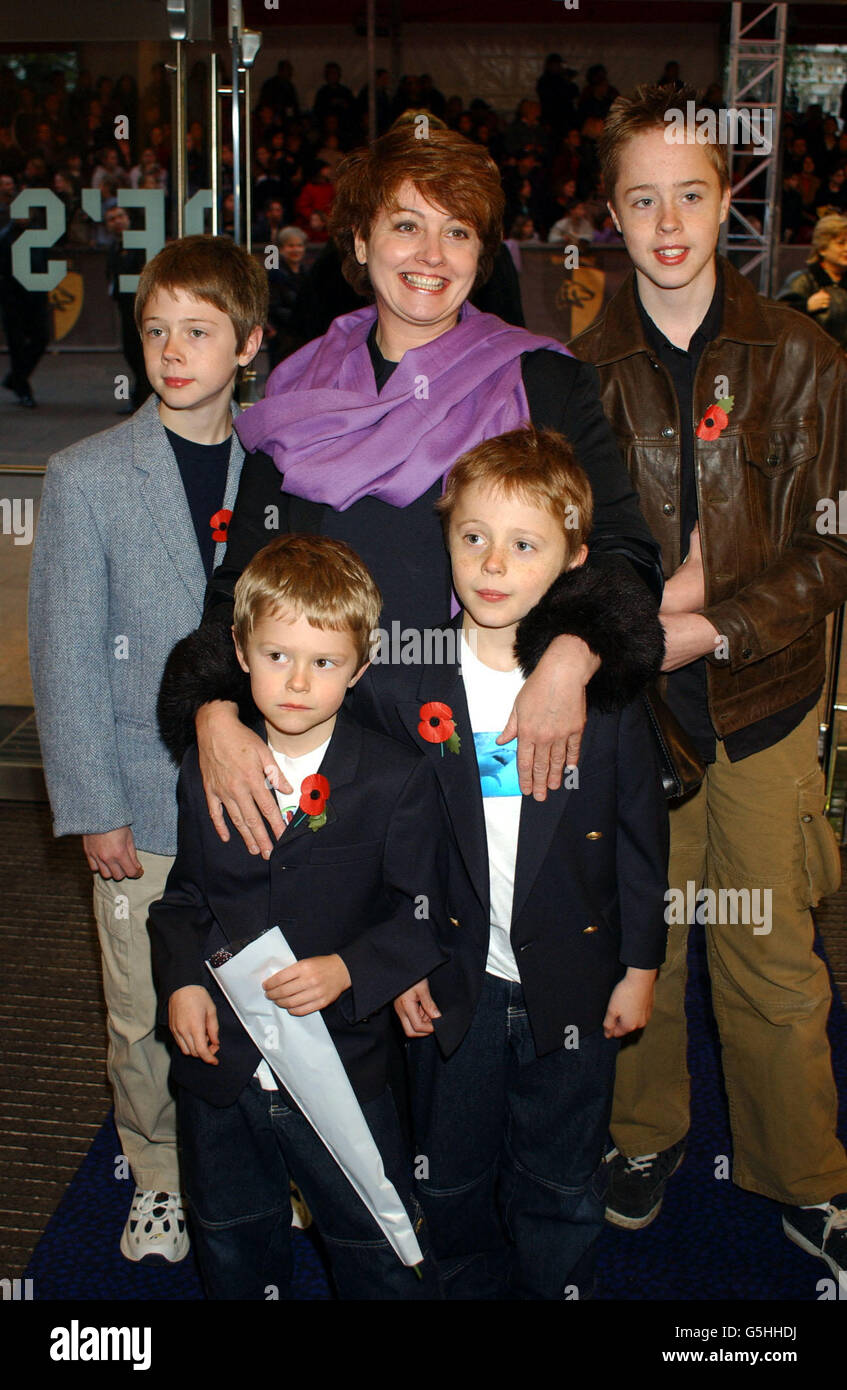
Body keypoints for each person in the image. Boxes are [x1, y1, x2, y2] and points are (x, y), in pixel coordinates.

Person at [156, 121, 663, 867]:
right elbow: (241, 584)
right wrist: (211, 709)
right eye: (405, 225)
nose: (431, 256)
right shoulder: (299, 391)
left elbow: (623, 551)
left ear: (480, 257)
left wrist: (569, 658)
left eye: (457, 232)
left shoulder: (543, 382)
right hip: (332, 766)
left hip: (484, 752)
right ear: (360, 242)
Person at [569, 82, 847, 1278]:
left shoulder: (803, 354)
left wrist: (714, 624)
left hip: (763, 702)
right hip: (639, 711)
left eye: (690, 192)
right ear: (610, 215)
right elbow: (561, 559)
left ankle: (801, 1172)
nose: (668, 220)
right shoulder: (575, 371)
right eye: (642, 198)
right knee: (641, 942)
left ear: (729, 198)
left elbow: (833, 546)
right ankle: (644, 1138)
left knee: (773, 957)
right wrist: (644, 629)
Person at [350, 426, 667, 1300]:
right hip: (456, 982)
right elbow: (382, 852)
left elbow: (641, 841)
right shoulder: (403, 687)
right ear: (445, 540)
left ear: (572, 560)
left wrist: (639, 967)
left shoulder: (600, 695)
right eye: (472, 537)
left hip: (575, 978)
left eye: (523, 544)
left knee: (561, 1182)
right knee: (448, 1179)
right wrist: (395, 960)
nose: (492, 563)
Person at [28, 235, 267, 1264]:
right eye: (157, 331)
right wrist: (94, 805)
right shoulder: (87, 477)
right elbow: (64, 653)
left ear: (248, 345)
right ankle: (159, 1175)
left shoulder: (285, 467)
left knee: (266, 991)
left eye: (200, 331)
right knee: (142, 1007)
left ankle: (277, 1161)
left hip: (267, 794)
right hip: (139, 789)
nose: (174, 351)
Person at [150, 534, 448, 1300]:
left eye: (323, 663)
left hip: (344, 1062)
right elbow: (184, 899)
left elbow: (420, 916)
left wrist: (350, 968)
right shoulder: (204, 769)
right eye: (277, 655)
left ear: (359, 669)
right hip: (223, 1066)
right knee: (231, 1236)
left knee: (375, 1240)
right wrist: (183, 984)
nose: (296, 681)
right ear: (241, 652)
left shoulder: (394, 779)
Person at [777, 212, 847, 352]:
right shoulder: (803, 281)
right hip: (815, 366)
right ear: (822, 248)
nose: (846, 248)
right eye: (841, 243)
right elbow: (778, 318)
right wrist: (805, 306)